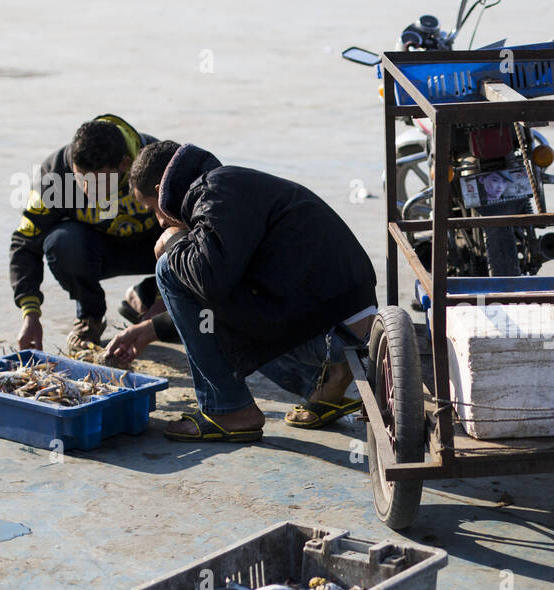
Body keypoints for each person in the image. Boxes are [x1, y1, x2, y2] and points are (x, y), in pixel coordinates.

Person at [128, 141, 378, 443]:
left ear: (160, 189)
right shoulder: (229, 185)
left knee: (170, 268)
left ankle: (228, 408)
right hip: (351, 324)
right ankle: (329, 382)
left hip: (330, 335)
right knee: (200, 272)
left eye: (152, 209)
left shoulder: (212, 193)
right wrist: (151, 329)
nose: (159, 221)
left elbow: (208, 284)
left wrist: (173, 239)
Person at [10, 115, 179, 356]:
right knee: (61, 242)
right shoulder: (55, 176)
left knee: (184, 245)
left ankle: (151, 294)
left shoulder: (158, 165)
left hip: (154, 249)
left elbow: (195, 233)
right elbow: (25, 243)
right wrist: (30, 314)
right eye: (81, 180)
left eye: (99, 183)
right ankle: (90, 317)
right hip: (96, 251)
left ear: (124, 165)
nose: (88, 191)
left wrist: (166, 303)